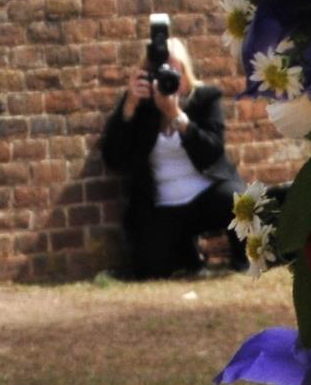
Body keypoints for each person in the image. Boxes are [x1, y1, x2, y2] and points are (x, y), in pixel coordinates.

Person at [97, 36, 240, 278]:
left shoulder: (205, 98)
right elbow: (114, 158)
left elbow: (213, 150)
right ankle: (188, 256)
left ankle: (242, 257)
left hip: (206, 195)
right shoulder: (139, 106)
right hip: (163, 204)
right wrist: (129, 107)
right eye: (161, 72)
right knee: (151, 267)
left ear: (186, 72)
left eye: (176, 71)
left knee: (236, 199)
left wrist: (178, 117)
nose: (169, 78)